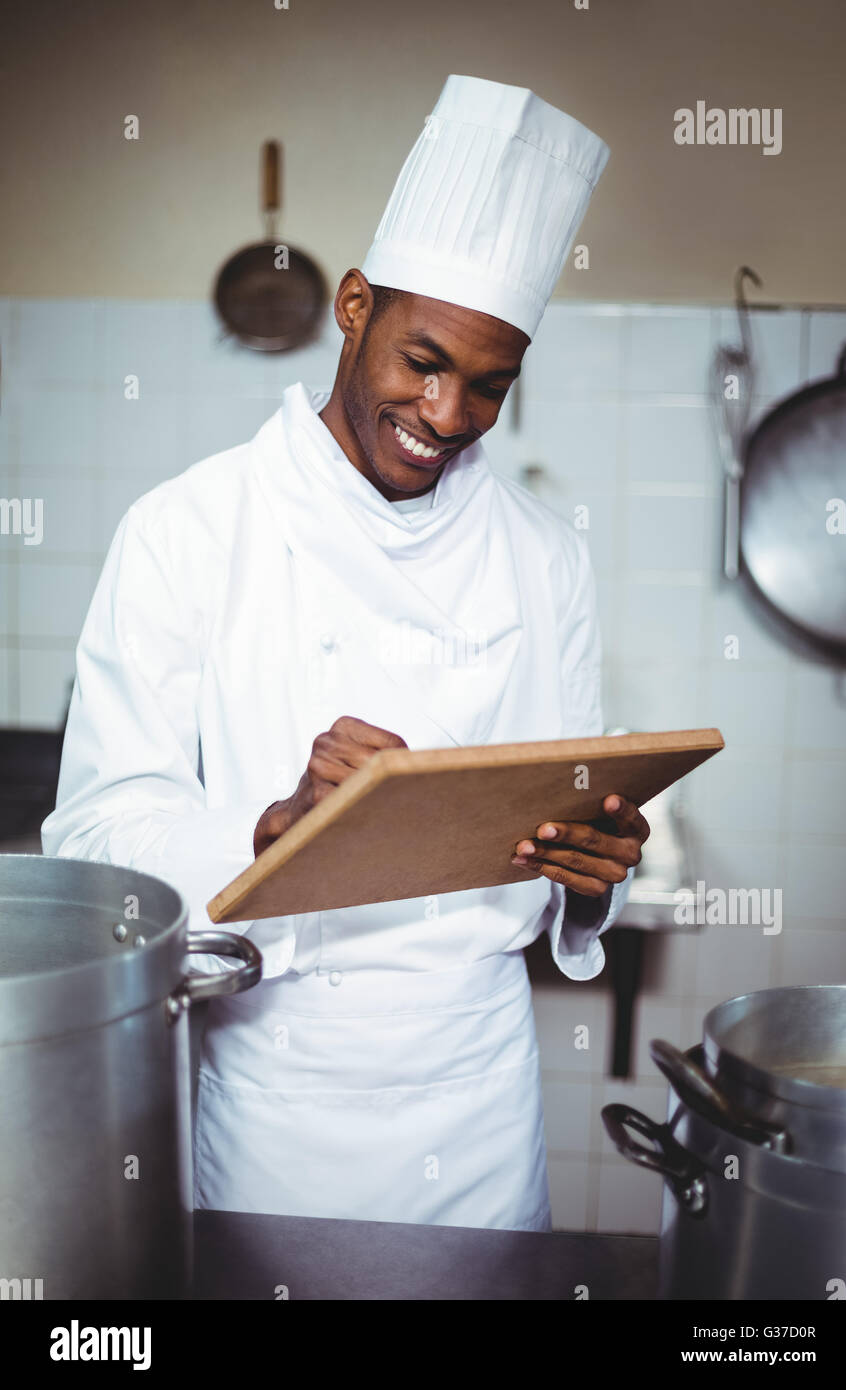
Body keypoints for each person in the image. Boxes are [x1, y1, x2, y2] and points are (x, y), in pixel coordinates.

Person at [42, 74, 649, 1231]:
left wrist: (593, 866)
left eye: (489, 385)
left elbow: (555, 810)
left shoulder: (545, 555)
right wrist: (270, 825)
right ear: (354, 306)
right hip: (278, 1087)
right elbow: (96, 847)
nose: (447, 413)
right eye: (422, 360)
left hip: (478, 1090)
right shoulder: (187, 528)